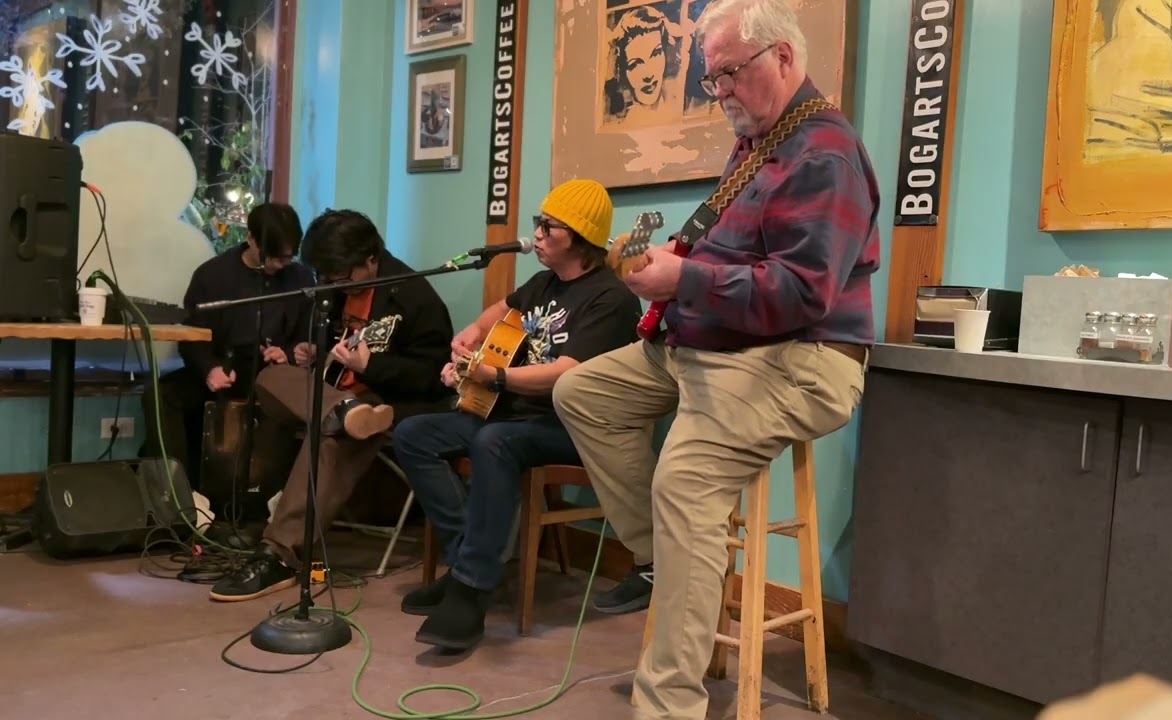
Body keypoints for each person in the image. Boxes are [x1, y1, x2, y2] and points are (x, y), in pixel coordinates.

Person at [551, 1, 882, 717]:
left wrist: (685, 279)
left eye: (730, 74)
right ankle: (664, 562)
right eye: (712, 78)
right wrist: (678, 260)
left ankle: (669, 704)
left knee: (686, 482)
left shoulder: (823, 153)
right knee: (582, 394)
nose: (721, 91)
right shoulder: (760, 142)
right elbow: (734, 256)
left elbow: (801, 293)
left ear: (784, 59)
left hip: (802, 358)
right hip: (718, 344)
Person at [391, 179, 640, 650]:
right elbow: (495, 314)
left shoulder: (612, 299)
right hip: (511, 414)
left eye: (550, 227)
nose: (538, 235)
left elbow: (565, 375)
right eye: (537, 224)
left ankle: (471, 592)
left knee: (495, 440)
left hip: (573, 427)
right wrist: (467, 339)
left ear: (582, 237)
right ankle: (470, 562)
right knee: (413, 433)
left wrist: (495, 377)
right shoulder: (543, 282)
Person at [208, 209, 456, 602]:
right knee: (269, 379)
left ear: (371, 259)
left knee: (333, 432)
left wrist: (370, 365)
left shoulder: (413, 296)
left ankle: (279, 554)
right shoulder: (332, 288)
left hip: (384, 400)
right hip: (335, 393)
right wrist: (309, 352)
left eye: (342, 276)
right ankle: (341, 410)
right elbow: (328, 347)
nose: (334, 284)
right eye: (327, 277)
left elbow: (432, 376)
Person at [139, 202, 312, 494]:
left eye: (287, 257)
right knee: (160, 395)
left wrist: (290, 352)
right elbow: (191, 337)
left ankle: (269, 498)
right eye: (272, 257)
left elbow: (307, 335)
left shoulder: (301, 278)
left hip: (272, 374)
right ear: (251, 239)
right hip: (224, 366)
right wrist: (209, 369)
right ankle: (180, 494)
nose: (279, 265)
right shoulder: (213, 275)